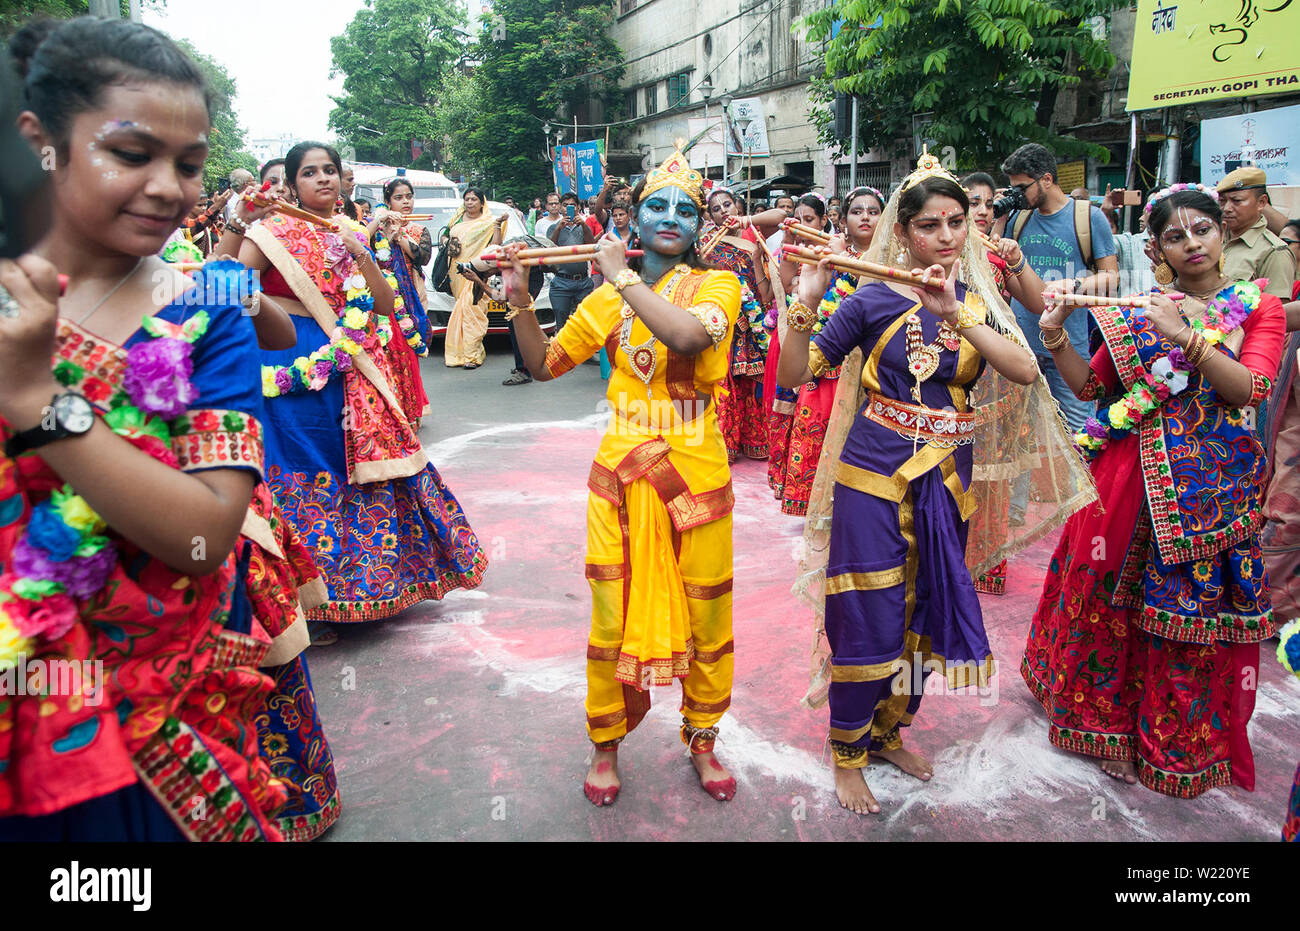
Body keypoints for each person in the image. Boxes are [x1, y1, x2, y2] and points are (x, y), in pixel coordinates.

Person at [0, 16, 289, 840]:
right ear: (42, 142)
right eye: (131, 155)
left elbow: (203, 537)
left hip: (133, 747)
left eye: (190, 166)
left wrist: (34, 400)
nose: (169, 185)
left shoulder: (205, 314)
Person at [778, 151, 1092, 815]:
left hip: (950, 479)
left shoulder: (975, 301)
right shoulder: (870, 297)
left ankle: (890, 728)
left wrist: (956, 312)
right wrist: (803, 306)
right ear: (904, 232)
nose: (947, 236)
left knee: (923, 610)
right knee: (868, 610)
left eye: (957, 222)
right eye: (930, 225)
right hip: (871, 474)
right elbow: (795, 376)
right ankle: (848, 749)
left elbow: (1025, 370)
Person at [499, 143, 743, 807]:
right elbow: (546, 362)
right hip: (619, 479)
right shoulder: (607, 300)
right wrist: (522, 300)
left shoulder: (720, 285)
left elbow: (690, 338)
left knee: (707, 614)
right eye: (656, 206)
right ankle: (605, 744)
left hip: (695, 479)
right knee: (611, 617)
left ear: (699, 225)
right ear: (633, 221)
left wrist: (622, 279)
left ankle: (702, 737)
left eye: (684, 210)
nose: (669, 218)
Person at [1022, 184, 1286, 797]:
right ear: (1157, 247)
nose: (1192, 243)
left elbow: (1251, 389)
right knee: (1112, 608)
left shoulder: (1258, 308)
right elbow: (1092, 391)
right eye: (1175, 235)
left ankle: (1170, 736)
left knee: (1183, 621)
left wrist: (1186, 335)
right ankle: (1107, 726)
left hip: (1210, 492)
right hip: (1127, 479)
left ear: (1222, 233)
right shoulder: (1139, 307)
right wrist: (1056, 333)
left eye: (1203, 229)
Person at [217, 141, 488, 626]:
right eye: (308, 173)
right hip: (286, 363)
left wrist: (361, 252)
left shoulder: (350, 232)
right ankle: (306, 604)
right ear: (294, 184)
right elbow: (226, 288)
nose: (321, 179)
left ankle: (366, 589)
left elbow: (382, 305)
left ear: (341, 180)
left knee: (350, 466)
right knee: (299, 467)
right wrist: (239, 226)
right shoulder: (270, 232)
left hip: (350, 365)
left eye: (329, 171)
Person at [768, 186, 884, 515]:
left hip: (871, 366)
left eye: (873, 211)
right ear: (843, 220)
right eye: (857, 211)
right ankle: (819, 509)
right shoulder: (825, 252)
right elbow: (793, 282)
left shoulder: (893, 261)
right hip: (828, 359)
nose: (865, 217)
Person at [961, 171, 1049, 594]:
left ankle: (984, 564)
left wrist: (1017, 261)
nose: (982, 211)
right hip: (951, 380)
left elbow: (1036, 302)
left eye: (988, 204)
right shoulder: (941, 253)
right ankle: (947, 561)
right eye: (972, 202)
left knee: (992, 478)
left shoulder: (1000, 254)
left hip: (998, 384)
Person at [998, 143, 1119, 432]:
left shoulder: (1088, 218)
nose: (1017, 195)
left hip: (1069, 350)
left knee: (1080, 435)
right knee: (1022, 440)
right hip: (1022, 349)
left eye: (1022, 187)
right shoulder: (1018, 219)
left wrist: (1074, 285)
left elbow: (1111, 278)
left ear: (1047, 180)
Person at [702, 186, 785, 462]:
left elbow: (782, 214)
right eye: (716, 209)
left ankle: (755, 441)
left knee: (753, 383)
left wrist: (746, 223)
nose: (724, 211)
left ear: (737, 206)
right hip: (725, 323)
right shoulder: (709, 243)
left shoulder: (753, 235)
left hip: (755, 318)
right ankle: (725, 443)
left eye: (727, 205)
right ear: (711, 217)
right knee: (727, 385)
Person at [769, 193, 831, 498]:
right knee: (791, 405)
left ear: (823, 221)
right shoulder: (792, 248)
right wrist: (790, 238)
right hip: (796, 332)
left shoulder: (835, 253)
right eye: (800, 219)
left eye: (810, 220)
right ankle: (790, 482)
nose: (805, 226)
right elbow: (783, 281)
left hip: (827, 340)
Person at [443, 186, 505, 369]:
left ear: (481, 202)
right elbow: (445, 237)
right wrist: (449, 244)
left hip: (476, 271)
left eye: (473, 199)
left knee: (472, 310)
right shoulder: (456, 219)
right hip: (456, 272)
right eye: (467, 199)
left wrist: (497, 226)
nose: (469, 202)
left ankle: (471, 356)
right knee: (461, 311)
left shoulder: (488, 222)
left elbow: (495, 246)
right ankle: (462, 351)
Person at [1216, 167, 1296, 300]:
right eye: (1222, 201)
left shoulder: (1274, 252)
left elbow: (1275, 312)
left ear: (1261, 203)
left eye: (1237, 201)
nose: (1227, 209)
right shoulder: (1212, 240)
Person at [547, 192, 595, 335]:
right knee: (561, 321)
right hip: (561, 281)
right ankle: (563, 354)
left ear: (578, 207)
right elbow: (549, 249)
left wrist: (584, 226)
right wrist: (558, 228)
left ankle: (587, 353)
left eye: (572, 205)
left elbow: (591, 245)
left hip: (583, 281)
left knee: (585, 320)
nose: (569, 208)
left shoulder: (584, 225)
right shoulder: (554, 227)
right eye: (565, 205)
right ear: (561, 208)